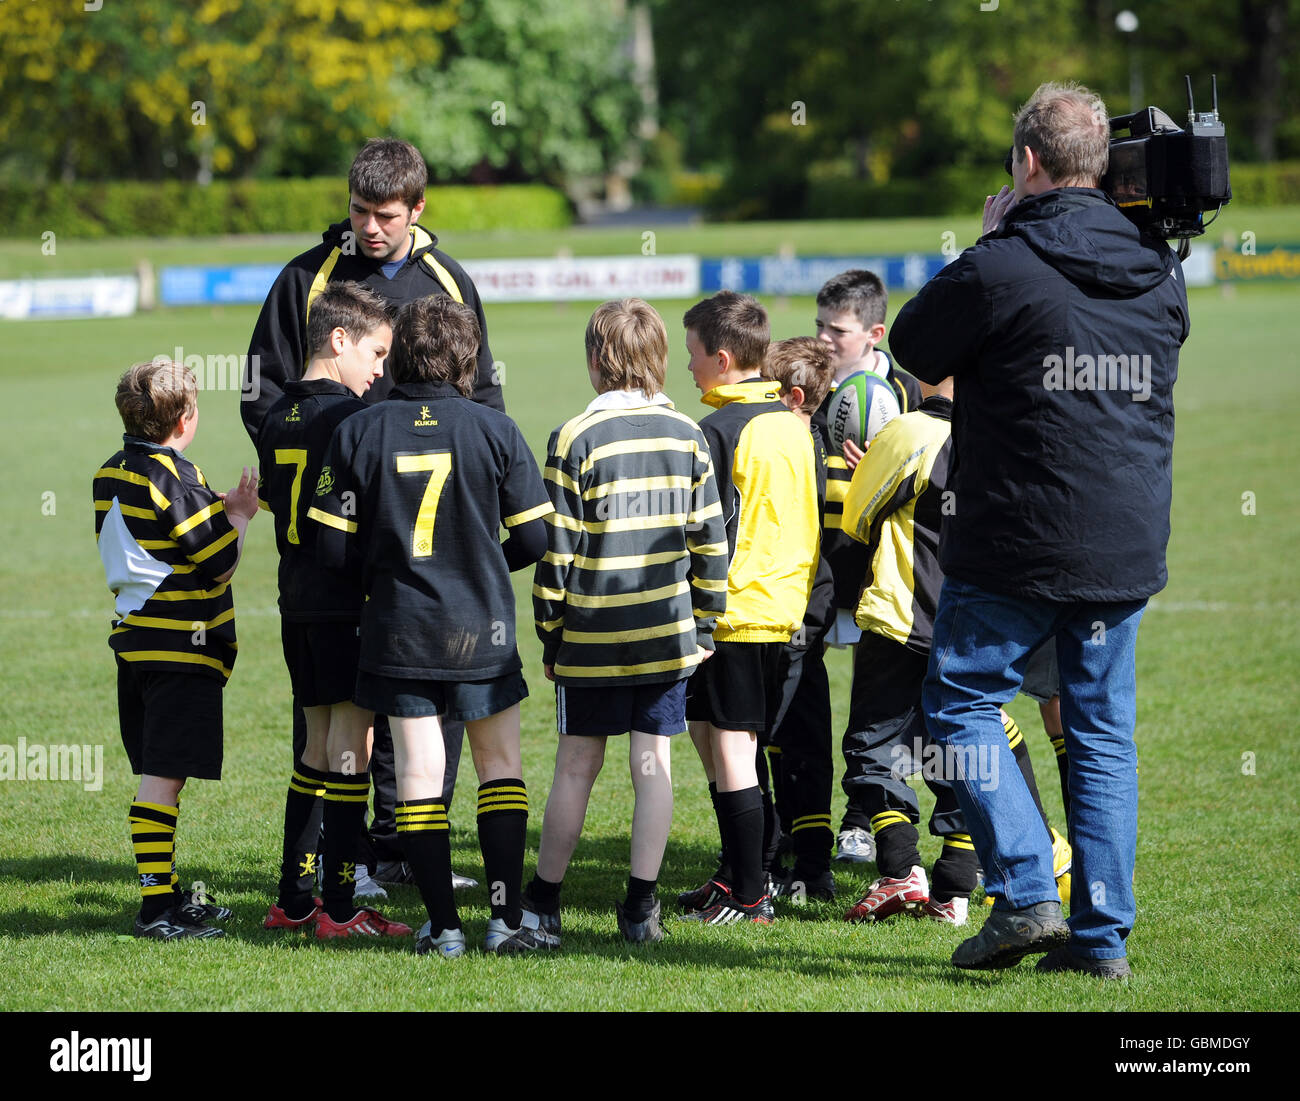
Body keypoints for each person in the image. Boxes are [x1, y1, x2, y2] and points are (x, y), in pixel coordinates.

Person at [892, 82, 1189, 978]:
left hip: (1016, 538)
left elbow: (912, 345)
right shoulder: (1159, 264)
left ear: (1026, 164)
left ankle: (1026, 892)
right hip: (1124, 541)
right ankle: (1102, 943)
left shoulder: (1000, 262)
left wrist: (992, 239)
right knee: (1100, 730)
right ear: (1102, 167)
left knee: (959, 703)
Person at [244, 138, 496, 892]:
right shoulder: (306, 277)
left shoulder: (449, 279)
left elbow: (482, 397)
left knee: (422, 685)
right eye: (358, 211)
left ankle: (405, 849)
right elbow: (262, 393)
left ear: (418, 209)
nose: (369, 227)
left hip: (421, 521)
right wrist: (318, 482)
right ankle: (330, 863)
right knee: (335, 702)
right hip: (335, 533)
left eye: (385, 214)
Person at [308, 296, 555, 957]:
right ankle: (504, 922)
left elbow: (329, 549)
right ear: (468, 356)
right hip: (483, 626)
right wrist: (486, 564)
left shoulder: (358, 429)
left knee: (418, 772)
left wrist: (383, 571)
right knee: (499, 766)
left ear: (399, 356)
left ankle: (443, 926)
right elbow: (536, 535)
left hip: (397, 626)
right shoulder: (494, 428)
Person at [523, 299, 728, 944]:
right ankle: (640, 908)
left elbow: (558, 552)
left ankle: (543, 903)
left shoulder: (573, 438)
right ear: (660, 358)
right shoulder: (690, 435)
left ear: (595, 359)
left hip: (590, 634)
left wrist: (549, 631)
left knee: (576, 766)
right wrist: (706, 624)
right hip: (667, 635)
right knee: (653, 765)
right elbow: (710, 542)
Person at [256, 281, 410, 939]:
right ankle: (342, 908)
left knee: (317, 745)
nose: (379, 369)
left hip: (296, 601)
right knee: (354, 746)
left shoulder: (274, 415)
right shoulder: (350, 418)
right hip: (345, 599)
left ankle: (293, 897)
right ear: (338, 339)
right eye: (375, 352)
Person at [93, 358, 259, 939]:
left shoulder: (110, 471)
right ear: (185, 418)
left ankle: (165, 894)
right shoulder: (175, 477)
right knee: (162, 778)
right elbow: (217, 568)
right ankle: (155, 910)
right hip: (180, 651)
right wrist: (236, 516)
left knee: (159, 773)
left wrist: (210, 507)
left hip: (134, 645)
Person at [675, 292, 820, 927]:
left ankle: (752, 894)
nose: (688, 367)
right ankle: (736, 871)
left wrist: (698, 610)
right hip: (781, 607)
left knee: (731, 747)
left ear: (724, 358)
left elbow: (711, 534)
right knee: (713, 736)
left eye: (694, 355)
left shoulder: (719, 432)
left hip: (732, 614)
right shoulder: (791, 420)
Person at [813, 269, 922, 866]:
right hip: (820, 561)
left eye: (840, 330)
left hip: (882, 569)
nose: (826, 340)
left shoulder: (904, 393)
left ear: (875, 333)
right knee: (804, 693)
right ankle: (799, 827)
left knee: (875, 698)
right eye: (820, 326)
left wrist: (876, 476)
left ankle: (862, 819)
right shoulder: (808, 385)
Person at [758, 337, 838, 901]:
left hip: (790, 608)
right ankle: (805, 863)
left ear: (791, 396)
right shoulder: (818, 442)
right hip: (811, 606)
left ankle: (784, 864)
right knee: (797, 735)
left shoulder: (792, 445)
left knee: (771, 735)